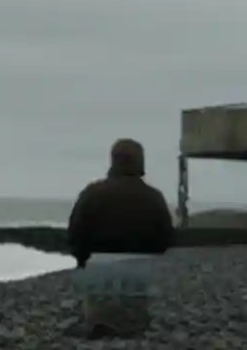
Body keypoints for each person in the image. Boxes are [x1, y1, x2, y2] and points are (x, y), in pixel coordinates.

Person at [67, 138, 175, 337]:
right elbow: (166, 238)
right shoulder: (154, 197)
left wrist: (82, 261)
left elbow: (76, 233)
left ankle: (99, 321)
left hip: (99, 265)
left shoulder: (92, 193)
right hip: (140, 267)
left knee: (99, 302)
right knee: (134, 308)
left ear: (113, 161)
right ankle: (132, 322)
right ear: (140, 162)